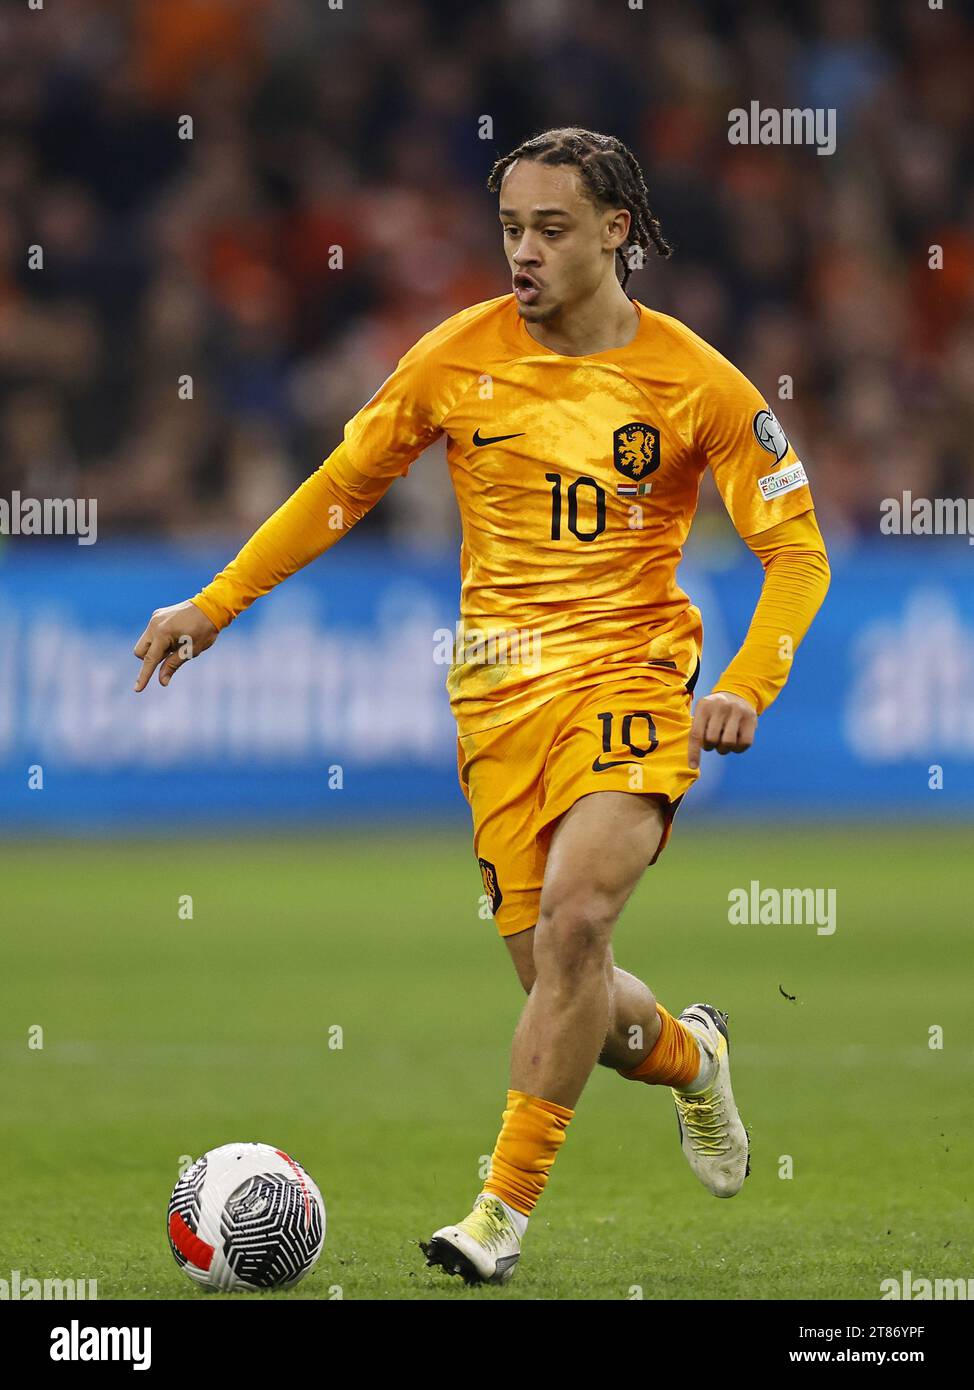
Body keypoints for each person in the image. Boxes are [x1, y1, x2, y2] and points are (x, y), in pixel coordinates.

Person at [134, 128, 830, 1287]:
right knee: (565, 986)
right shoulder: (454, 358)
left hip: (630, 682)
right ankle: (691, 1056)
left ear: (615, 230)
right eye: (509, 228)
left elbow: (793, 551)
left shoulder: (696, 381)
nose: (522, 251)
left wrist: (746, 680)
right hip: (498, 703)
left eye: (550, 229)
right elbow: (340, 488)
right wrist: (215, 604)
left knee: (574, 926)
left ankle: (496, 1217)